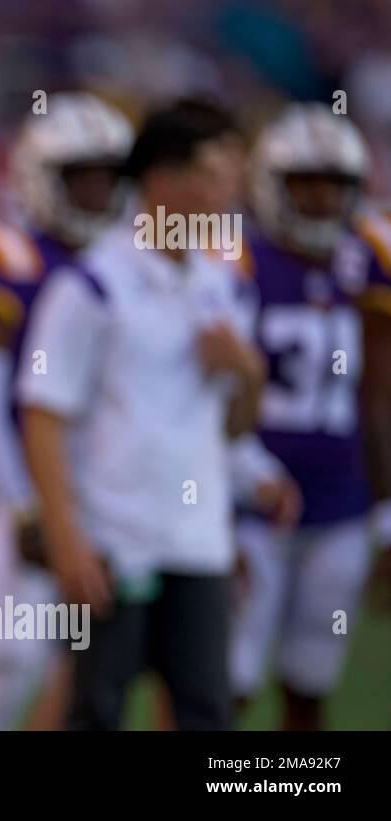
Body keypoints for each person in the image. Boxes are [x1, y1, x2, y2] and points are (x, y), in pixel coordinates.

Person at [18, 99, 263, 730]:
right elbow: (43, 414)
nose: (229, 191)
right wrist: (68, 538)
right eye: (215, 173)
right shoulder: (92, 285)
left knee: (207, 713)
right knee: (93, 711)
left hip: (199, 544)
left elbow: (232, 426)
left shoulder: (224, 285)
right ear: (161, 179)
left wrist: (249, 374)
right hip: (113, 542)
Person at [0, 92, 132, 730]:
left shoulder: (142, 267)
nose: (98, 194)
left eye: (109, 179)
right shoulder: (5, 257)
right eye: (82, 179)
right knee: (9, 661)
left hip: (119, 492)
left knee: (95, 668)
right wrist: (24, 500)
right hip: (28, 483)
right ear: (42, 179)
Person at [230, 103, 391, 729]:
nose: (323, 200)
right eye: (307, 184)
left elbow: (379, 397)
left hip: (342, 505)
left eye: (335, 185)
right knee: (227, 681)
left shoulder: (369, 259)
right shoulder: (236, 263)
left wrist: (385, 515)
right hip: (254, 502)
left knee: (310, 681)